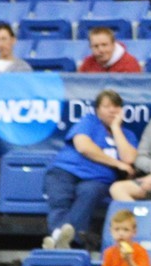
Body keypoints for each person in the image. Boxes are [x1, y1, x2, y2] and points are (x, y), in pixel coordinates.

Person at [43, 89, 137, 251]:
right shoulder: (89, 122)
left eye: (116, 106)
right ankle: (64, 241)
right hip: (66, 169)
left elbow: (129, 159)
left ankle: (60, 241)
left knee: (89, 191)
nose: (112, 110)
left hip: (97, 180)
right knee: (60, 199)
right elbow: (83, 146)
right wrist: (116, 163)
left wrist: (116, 129)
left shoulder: (127, 134)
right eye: (107, 106)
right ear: (97, 111)